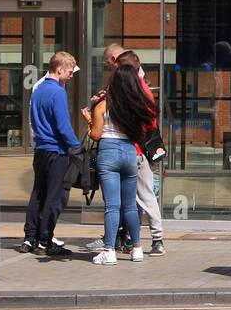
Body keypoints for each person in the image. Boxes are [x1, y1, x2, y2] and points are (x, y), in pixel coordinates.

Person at [84, 45, 166, 256]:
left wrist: (92, 117)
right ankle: (135, 246)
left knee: (116, 204)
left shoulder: (110, 101)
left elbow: (95, 134)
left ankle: (112, 248)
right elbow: (146, 124)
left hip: (119, 152)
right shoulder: (136, 96)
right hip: (131, 152)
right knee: (131, 205)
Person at [19, 52, 80, 256]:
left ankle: (29, 238)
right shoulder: (58, 93)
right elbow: (63, 126)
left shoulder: (38, 90)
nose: (71, 75)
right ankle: (45, 241)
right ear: (60, 69)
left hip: (41, 150)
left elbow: (35, 121)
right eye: (70, 71)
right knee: (55, 197)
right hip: (57, 151)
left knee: (38, 193)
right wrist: (76, 146)